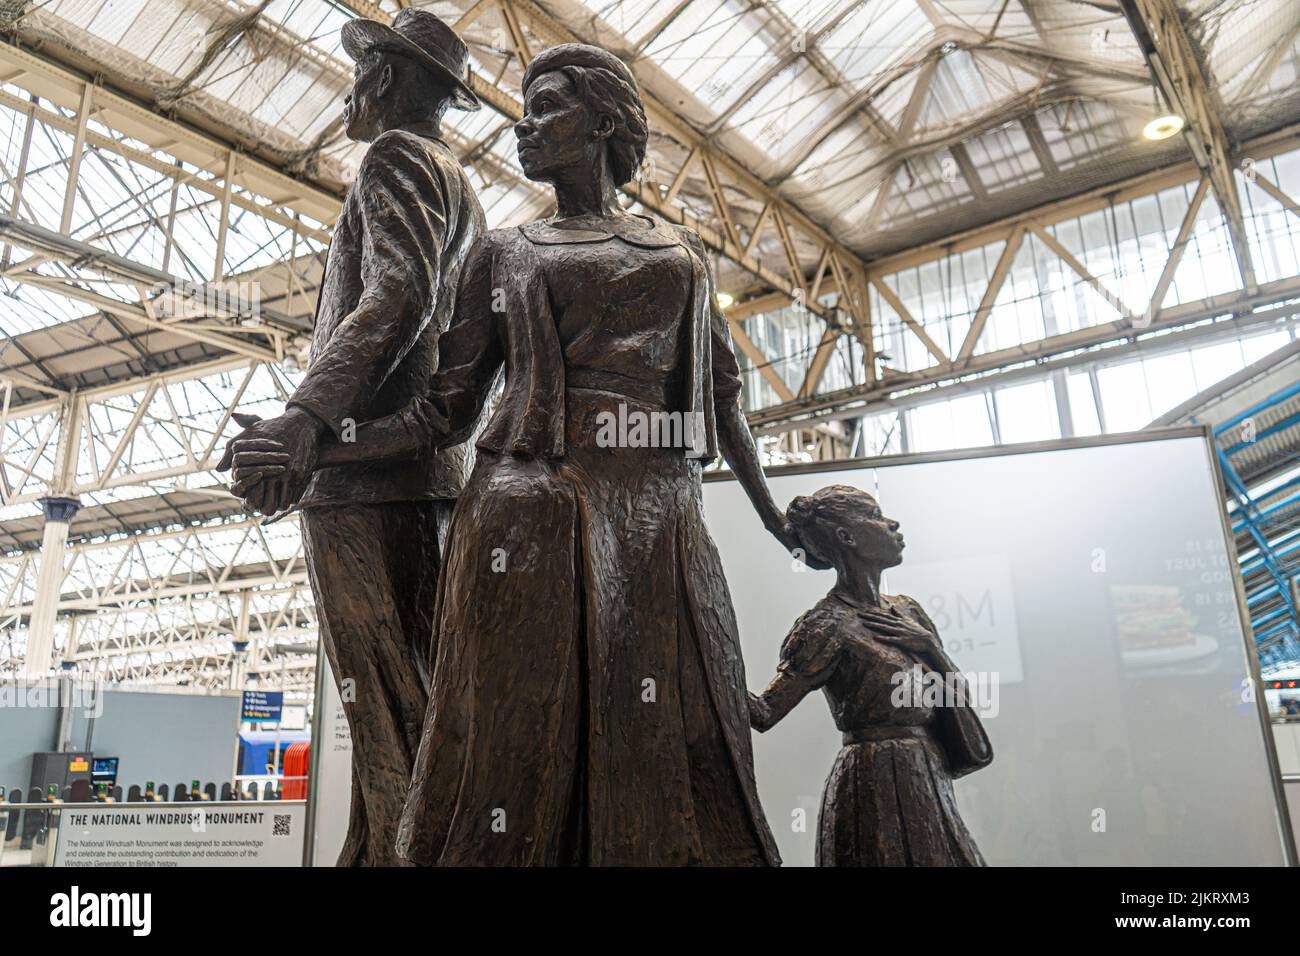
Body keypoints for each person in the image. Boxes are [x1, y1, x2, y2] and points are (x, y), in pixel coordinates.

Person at [230, 43, 791, 866]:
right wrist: (320, 442)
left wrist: (778, 523)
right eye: (524, 110)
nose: (524, 127)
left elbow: (725, 404)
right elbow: (442, 415)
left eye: (548, 107)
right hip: (521, 522)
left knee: (669, 733)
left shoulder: (681, 262)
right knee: (513, 740)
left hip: (654, 526)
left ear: (605, 121)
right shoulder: (503, 251)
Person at [219, 9, 485, 866]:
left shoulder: (396, 157)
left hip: (372, 480)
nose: (351, 87)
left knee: (387, 705)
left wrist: (304, 419)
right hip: (422, 471)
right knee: (410, 696)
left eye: (361, 69)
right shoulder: (459, 179)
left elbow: (399, 295)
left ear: (382, 77)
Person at [749, 485, 993, 866]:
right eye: (877, 517)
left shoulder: (908, 611)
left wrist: (929, 646)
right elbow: (765, 711)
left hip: (928, 770)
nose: (892, 525)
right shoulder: (825, 624)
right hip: (873, 780)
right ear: (847, 537)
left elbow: (956, 695)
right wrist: (709, 666)